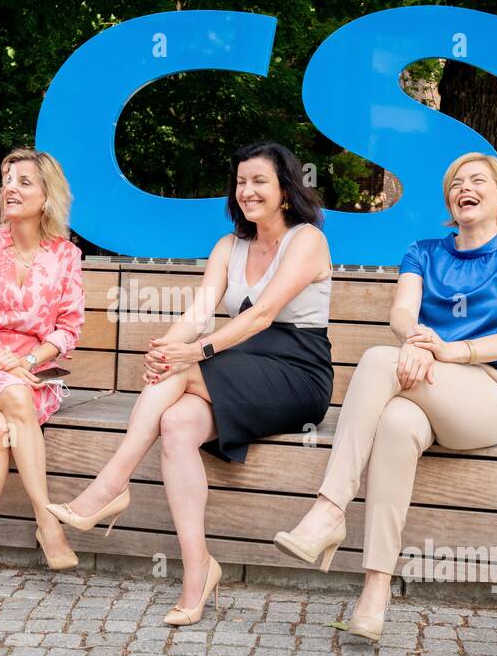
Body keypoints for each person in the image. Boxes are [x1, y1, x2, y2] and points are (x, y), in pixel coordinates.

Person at [46, 141, 333, 626]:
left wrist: (191, 355)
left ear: (286, 189)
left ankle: (110, 484)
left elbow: (262, 316)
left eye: (259, 181)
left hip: (297, 371)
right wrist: (166, 350)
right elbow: (199, 314)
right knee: (177, 424)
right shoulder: (229, 246)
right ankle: (198, 570)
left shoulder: (306, 240)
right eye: (241, 182)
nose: (247, 191)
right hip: (238, 365)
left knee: (180, 373)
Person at [272, 152, 497, 642]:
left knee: (380, 359)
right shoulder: (423, 251)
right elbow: (402, 313)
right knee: (396, 425)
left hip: (484, 395)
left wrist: (448, 350)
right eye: (456, 181)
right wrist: (421, 340)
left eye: (478, 181)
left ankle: (331, 508)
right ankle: (374, 596)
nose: (464, 187)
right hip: (422, 382)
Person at [0, 148, 86, 602]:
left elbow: (68, 329)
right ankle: (47, 522)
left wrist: (27, 363)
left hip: (35, 375)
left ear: (47, 196)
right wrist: (6, 363)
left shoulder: (65, 256)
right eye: (8, 179)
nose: (11, 188)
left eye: (25, 181)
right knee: (14, 399)